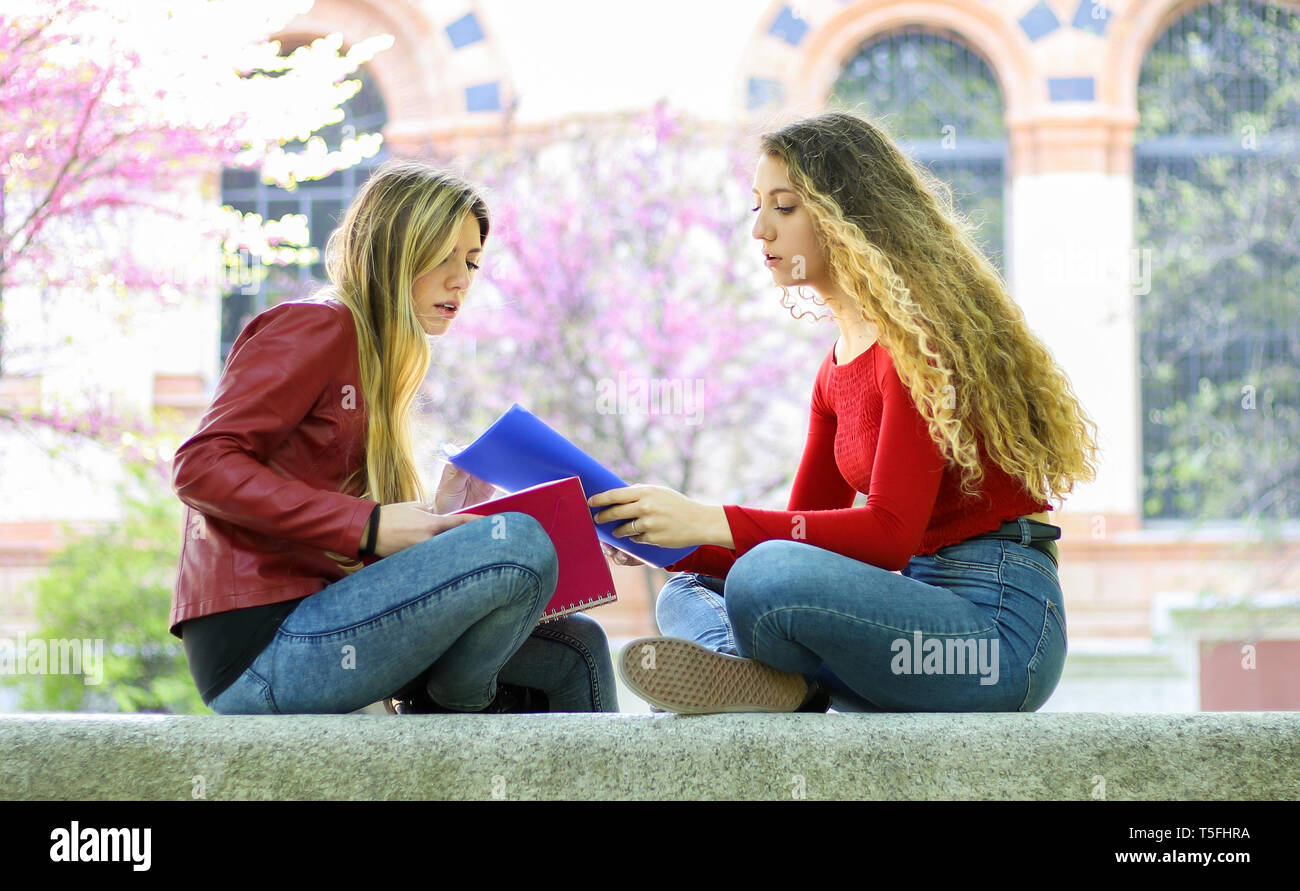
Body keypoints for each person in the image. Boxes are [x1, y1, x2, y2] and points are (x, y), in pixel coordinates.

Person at [591, 111, 1100, 714]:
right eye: (756, 207)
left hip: (995, 637)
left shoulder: (920, 344)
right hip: (898, 615)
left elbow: (887, 535)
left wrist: (704, 520)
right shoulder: (834, 371)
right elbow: (804, 527)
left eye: (784, 207)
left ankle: (752, 674)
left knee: (766, 578)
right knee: (689, 586)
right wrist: (658, 538)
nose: (760, 231)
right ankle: (768, 685)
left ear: (847, 218)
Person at [169, 159, 618, 715]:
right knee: (521, 544)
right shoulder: (316, 326)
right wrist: (371, 524)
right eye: (443, 256)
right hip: (264, 646)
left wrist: (445, 519)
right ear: (392, 250)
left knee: (579, 647)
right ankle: (458, 698)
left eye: (472, 263)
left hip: (331, 621)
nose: (461, 279)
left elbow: (358, 553)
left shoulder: (383, 365)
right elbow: (202, 465)